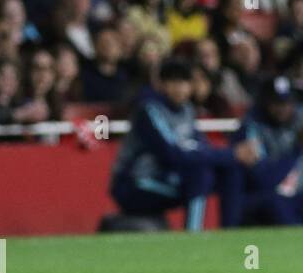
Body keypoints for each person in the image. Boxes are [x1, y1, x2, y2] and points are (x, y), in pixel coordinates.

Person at [108, 57, 258, 229]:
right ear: (162, 85)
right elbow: (172, 155)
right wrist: (232, 154)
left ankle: (231, 233)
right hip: (136, 184)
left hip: (168, 179)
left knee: (230, 170)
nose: (180, 88)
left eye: (184, 82)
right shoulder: (149, 111)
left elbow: (201, 148)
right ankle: (193, 235)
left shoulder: (187, 110)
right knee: (200, 175)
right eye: (174, 82)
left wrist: (231, 158)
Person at [222, 76, 303, 226]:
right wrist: (298, 149)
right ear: (265, 103)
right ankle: (299, 240)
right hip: (268, 197)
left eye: (287, 103)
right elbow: (265, 180)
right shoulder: (252, 127)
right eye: (276, 103)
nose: (282, 109)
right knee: (276, 202)